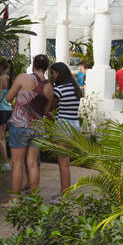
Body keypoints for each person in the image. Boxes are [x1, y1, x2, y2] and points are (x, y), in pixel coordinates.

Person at [5, 53, 51, 195]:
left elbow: (8, 98)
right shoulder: (50, 87)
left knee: (17, 164)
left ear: (33, 65)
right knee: (32, 164)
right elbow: (46, 111)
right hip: (38, 127)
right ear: (46, 68)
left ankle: (15, 200)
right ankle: (34, 199)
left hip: (20, 125)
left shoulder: (22, 78)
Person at [47, 61, 83, 193]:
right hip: (74, 125)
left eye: (53, 73)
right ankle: (65, 193)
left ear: (59, 74)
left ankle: (65, 194)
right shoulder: (75, 88)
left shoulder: (58, 90)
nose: (52, 76)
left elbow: (49, 108)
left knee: (62, 162)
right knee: (66, 162)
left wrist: (50, 86)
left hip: (63, 126)